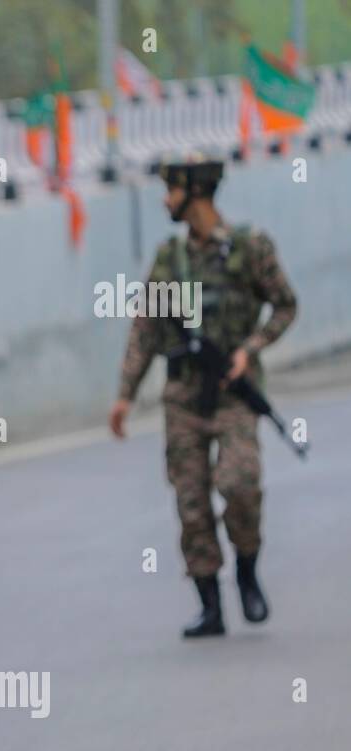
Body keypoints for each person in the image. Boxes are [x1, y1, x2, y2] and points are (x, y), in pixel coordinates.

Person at [109, 152, 297, 637]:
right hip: (184, 399)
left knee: (240, 486)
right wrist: (125, 394)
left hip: (234, 393)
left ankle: (247, 574)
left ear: (195, 192)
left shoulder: (249, 248)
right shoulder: (169, 260)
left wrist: (250, 348)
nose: (165, 198)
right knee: (190, 503)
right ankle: (209, 604)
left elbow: (284, 305)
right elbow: (145, 328)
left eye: (172, 188)